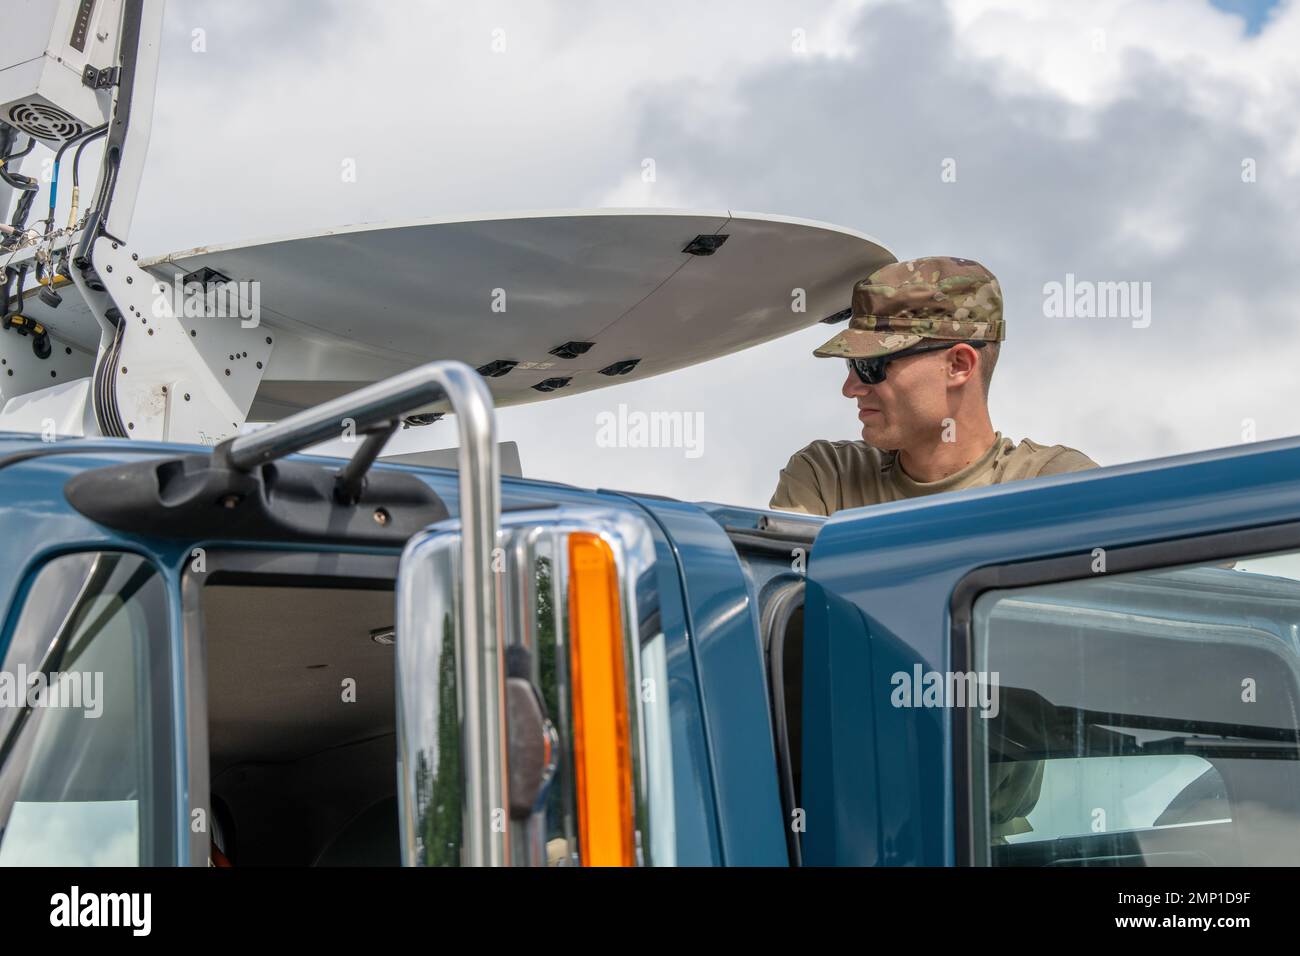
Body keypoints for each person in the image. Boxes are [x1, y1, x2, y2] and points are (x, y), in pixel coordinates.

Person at [771, 256, 1097, 515]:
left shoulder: (1054, 486)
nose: (851, 388)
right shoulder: (830, 478)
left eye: (870, 366)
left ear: (958, 366)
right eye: (850, 363)